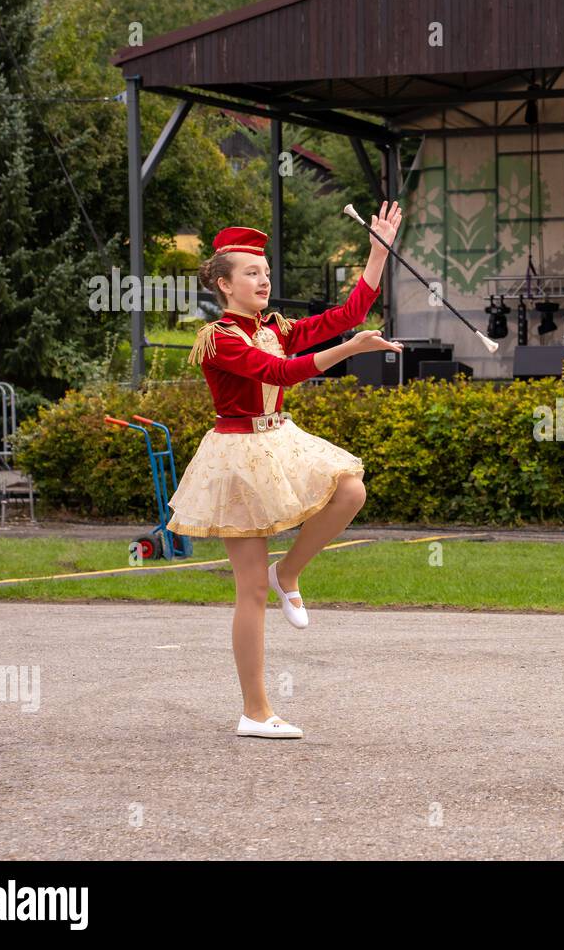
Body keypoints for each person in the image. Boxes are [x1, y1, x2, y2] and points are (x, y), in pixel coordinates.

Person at [167, 205, 404, 739]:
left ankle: (289, 573)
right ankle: (255, 712)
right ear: (224, 284)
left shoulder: (274, 326)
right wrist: (350, 349)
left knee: (350, 490)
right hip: (236, 457)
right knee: (249, 590)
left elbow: (347, 313)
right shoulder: (220, 338)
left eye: (267, 272)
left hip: (278, 439)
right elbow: (279, 372)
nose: (264, 281)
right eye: (251, 273)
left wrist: (377, 253)